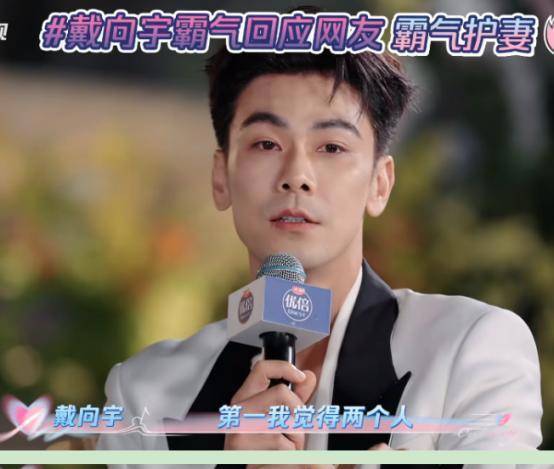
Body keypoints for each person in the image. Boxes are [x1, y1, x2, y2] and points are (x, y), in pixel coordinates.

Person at [95, 22, 543, 467]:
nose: (296, 175)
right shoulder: (145, 392)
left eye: (331, 147)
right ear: (221, 177)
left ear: (380, 184)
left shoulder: (471, 348)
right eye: (266, 143)